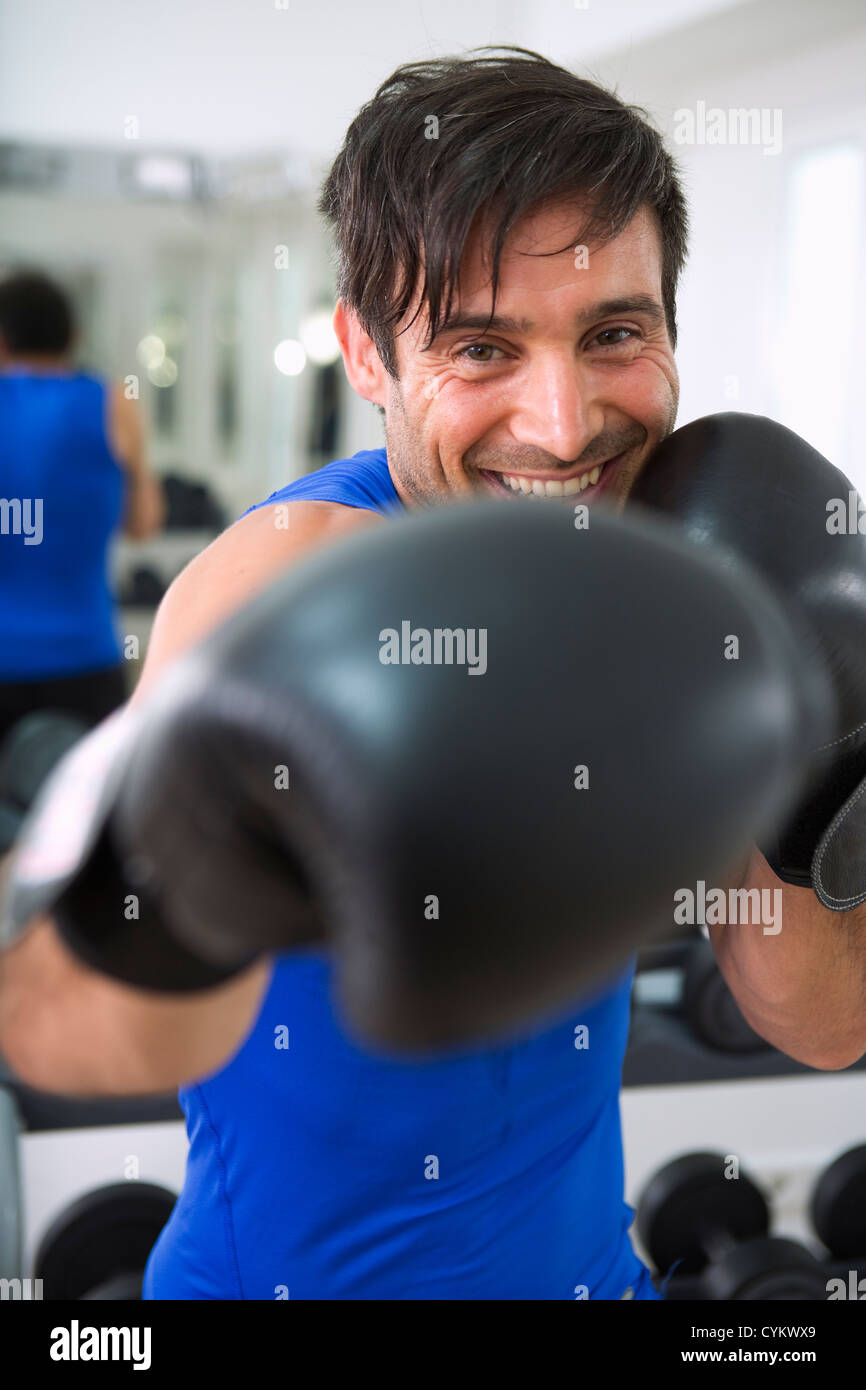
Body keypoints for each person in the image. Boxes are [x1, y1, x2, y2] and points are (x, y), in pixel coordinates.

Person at [1, 48, 864, 1302]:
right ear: (365, 353)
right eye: (479, 348)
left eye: (612, 332)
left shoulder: (681, 576)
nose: (562, 426)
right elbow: (58, 1025)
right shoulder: (285, 583)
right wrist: (214, 857)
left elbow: (819, 1022)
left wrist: (812, 778)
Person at [0, 270, 164, 744]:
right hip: (85, 660)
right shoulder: (114, 402)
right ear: (73, 337)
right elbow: (144, 523)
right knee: (82, 817)